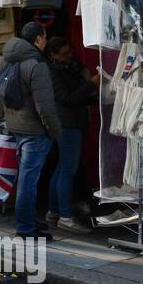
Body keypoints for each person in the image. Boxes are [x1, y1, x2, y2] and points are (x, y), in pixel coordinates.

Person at [1, 22, 63, 240]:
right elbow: (44, 106)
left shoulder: (8, 60)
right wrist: (54, 130)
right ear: (38, 39)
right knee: (28, 182)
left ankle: (28, 221)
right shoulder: (37, 65)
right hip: (35, 131)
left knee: (26, 179)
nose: (46, 42)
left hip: (16, 126)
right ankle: (25, 229)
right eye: (44, 38)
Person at [46, 35, 96, 234]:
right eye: (65, 54)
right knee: (67, 168)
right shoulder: (52, 72)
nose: (69, 56)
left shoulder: (68, 67)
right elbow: (67, 98)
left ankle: (54, 210)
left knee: (61, 167)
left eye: (70, 52)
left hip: (70, 121)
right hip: (66, 123)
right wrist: (91, 84)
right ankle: (65, 216)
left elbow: (75, 94)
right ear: (53, 55)